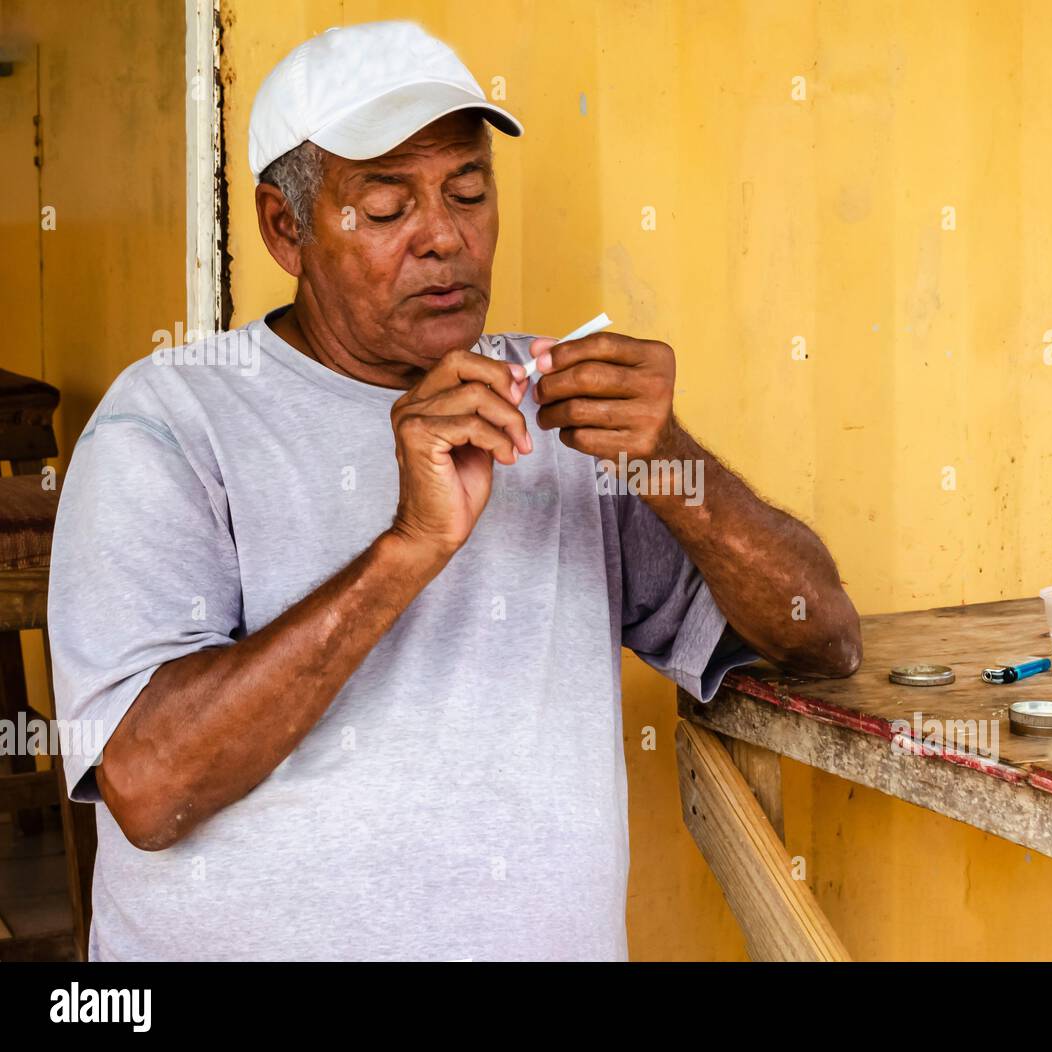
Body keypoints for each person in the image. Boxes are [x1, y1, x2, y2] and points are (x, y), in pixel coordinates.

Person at [48, 19, 860, 961]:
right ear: (285, 229)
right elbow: (149, 789)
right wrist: (409, 548)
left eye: (468, 193)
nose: (445, 238)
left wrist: (675, 463)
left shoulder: (559, 406)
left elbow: (824, 637)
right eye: (388, 209)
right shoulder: (170, 421)